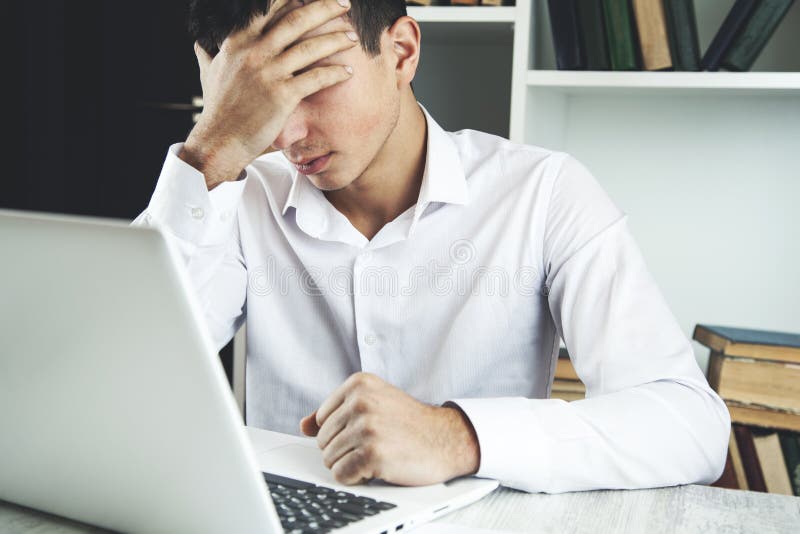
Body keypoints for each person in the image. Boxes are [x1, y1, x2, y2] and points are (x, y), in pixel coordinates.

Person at [133, 0, 730, 493]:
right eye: (256, 100)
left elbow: (690, 428)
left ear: (401, 51)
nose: (286, 134)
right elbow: (114, 370)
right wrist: (213, 146)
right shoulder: (233, 194)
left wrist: (457, 436)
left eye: (310, 82)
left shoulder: (544, 194)